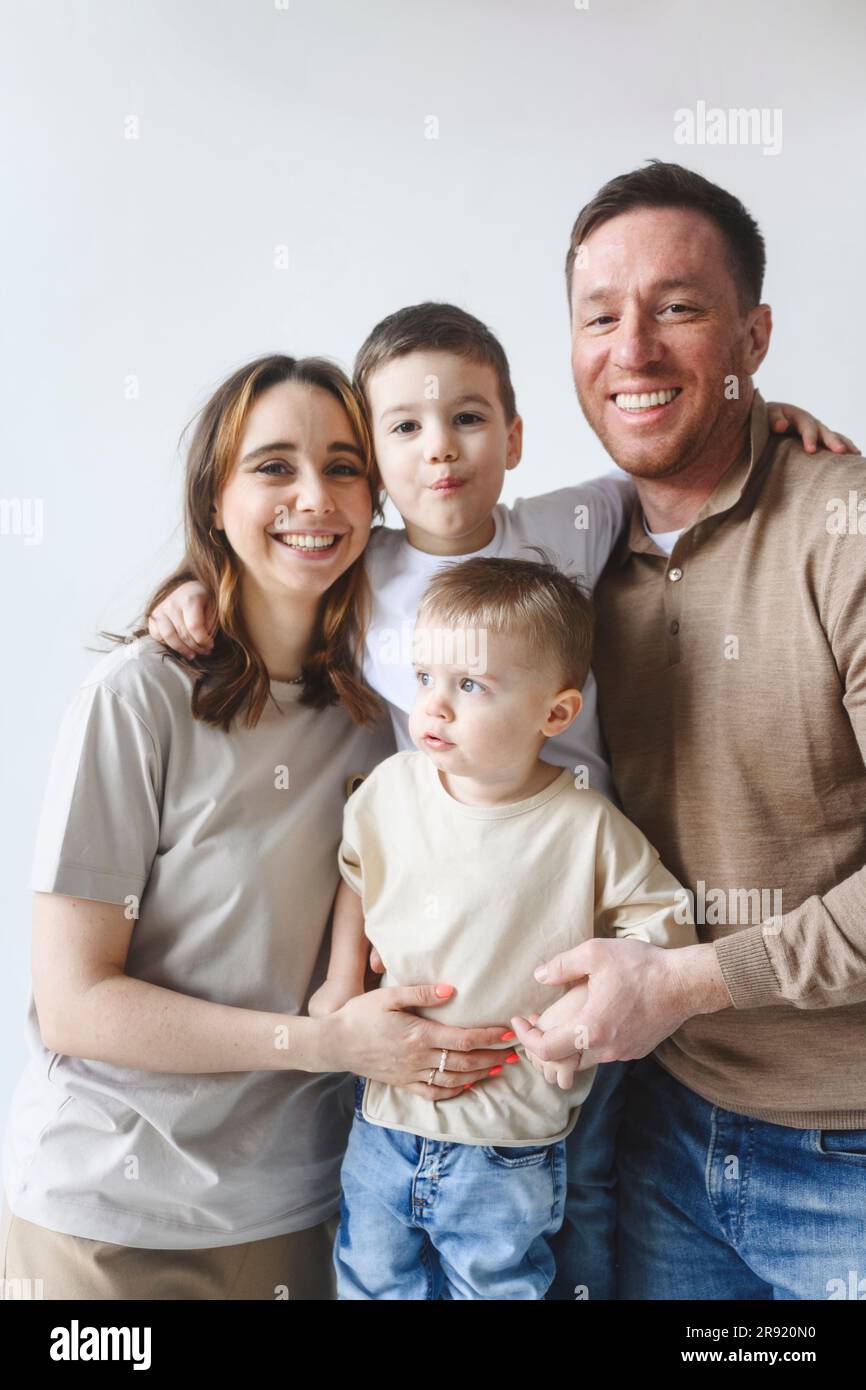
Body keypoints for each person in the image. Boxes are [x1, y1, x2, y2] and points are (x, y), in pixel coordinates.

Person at [148, 302, 849, 1299]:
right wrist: (192, 589)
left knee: (579, 1179)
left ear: (513, 436)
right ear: (372, 462)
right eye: (403, 429)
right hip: (449, 919)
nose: (439, 451)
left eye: (468, 419)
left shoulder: (571, 521)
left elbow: (680, 452)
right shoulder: (365, 574)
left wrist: (766, 414)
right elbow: (271, 573)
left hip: (572, 906)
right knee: (413, 1189)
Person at [0, 354, 512, 1300]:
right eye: (273, 466)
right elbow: (75, 1002)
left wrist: (764, 436)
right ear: (214, 500)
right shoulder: (138, 697)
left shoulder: (386, 711)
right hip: (109, 1229)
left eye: (345, 465)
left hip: (303, 1216)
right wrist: (322, 1044)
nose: (314, 497)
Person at [508, 159, 866, 1301]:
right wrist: (207, 589)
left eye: (675, 308)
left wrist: (687, 983)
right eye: (597, 316)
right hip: (654, 1141)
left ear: (752, 337)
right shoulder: (567, 560)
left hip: (844, 1156)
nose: (632, 351)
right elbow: (377, 565)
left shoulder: (841, 532)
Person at [311, 555, 696, 1299]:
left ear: (554, 714)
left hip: (507, 1143)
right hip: (385, 1120)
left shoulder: (586, 826)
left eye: (470, 686)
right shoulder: (391, 790)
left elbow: (666, 931)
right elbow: (355, 873)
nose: (435, 706)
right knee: (367, 1282)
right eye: (425, 678)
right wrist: (337, 982)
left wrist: (579, 1015)